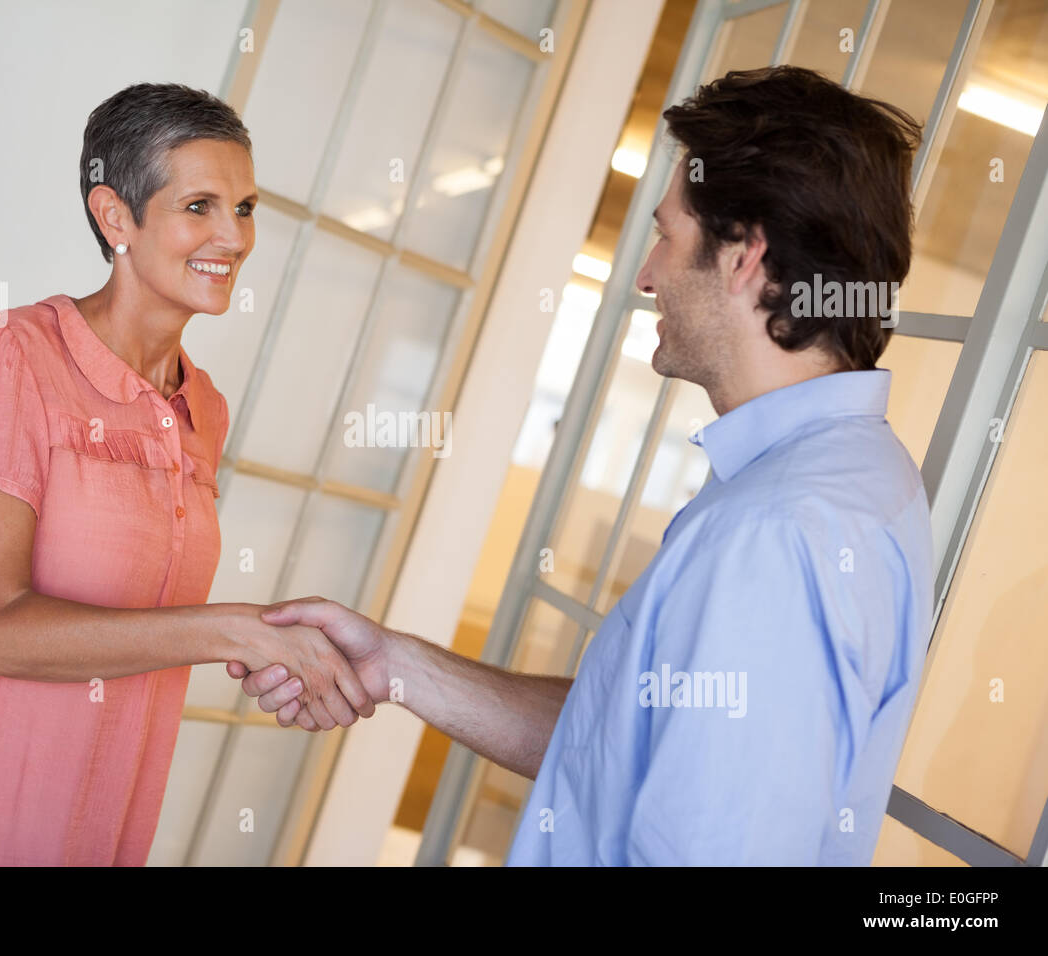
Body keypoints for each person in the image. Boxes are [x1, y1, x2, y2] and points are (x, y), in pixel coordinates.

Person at [230, 65, 935, 865]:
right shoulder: (837, 479)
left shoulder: (780, 535)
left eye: (668, 235)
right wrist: (398, 666)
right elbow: (626, 742)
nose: (645, 274)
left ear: (745, 256)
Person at [0, 83, 371, 868]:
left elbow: (143, 625)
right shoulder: (14, 353)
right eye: (199, 206)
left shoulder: (204, 409)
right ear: (114, 217)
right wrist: (236, 630)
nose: (233, 236)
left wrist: (271, 648)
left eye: (245, 207)